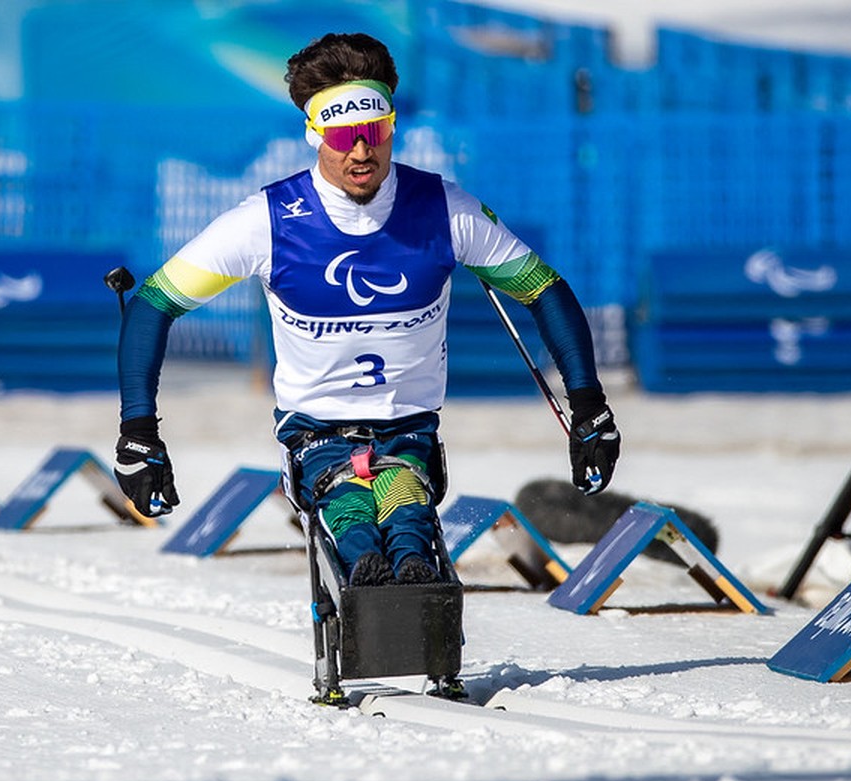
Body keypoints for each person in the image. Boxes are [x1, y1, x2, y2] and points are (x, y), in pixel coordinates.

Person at [112, 32, 620, 586]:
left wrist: (588, 405)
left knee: (406, 510)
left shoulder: (445, 208)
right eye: (344, 135)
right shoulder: (266, 220)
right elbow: (153, 304)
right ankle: (369, 570)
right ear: (315, 136)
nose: (361, 151)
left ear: (391, 127)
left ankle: (410, 573)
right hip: (315, 431)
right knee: (349, 505)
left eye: (374, 132)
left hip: (410, 431)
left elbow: (544, 289)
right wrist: (139, 429)